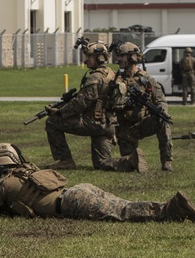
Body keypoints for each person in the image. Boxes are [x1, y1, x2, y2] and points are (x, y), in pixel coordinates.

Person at [0, 142, 195, 223]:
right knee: (126, 205)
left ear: (4, 164)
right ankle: (191, 209)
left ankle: (176, 209)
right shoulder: (24, 171)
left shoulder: (3, 185)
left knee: (125, 212)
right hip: (79, 190)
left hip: (72, 202)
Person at [44, 40, 141, 172]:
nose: (86, 60)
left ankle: (65, 160)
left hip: (94, 123)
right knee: (102, 163)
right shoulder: (112, 73)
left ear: (99, 58)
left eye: (89, 57)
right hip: (108, 125)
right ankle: (130, 161)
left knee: (52, 122)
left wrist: (60, 112)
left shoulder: (95, 77)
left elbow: (80, 103)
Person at [112, 41, 175, 172]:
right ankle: (136, 159)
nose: (118, 59)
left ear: (132, 58)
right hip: (125, 129)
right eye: (119, 56)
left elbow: (161, 100)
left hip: (142, 124)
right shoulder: (115, 79)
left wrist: (161, 110)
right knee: (128, 165)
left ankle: (167, 162)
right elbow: (108, 104)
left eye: (122, 56)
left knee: (162, 120)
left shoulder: (147, 80)